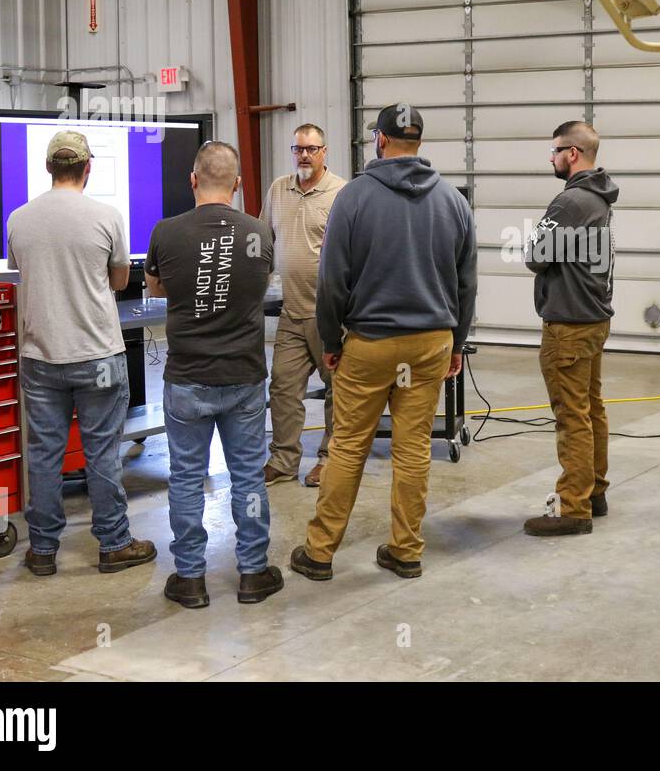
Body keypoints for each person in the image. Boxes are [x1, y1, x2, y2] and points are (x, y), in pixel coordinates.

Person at [290, 104, 477, 582]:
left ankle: (320, 552)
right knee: (413, 448)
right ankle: (406, 550)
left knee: (349, 444)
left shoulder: (352, 198)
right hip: (430, 343)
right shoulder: (454, 202)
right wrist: (456, 342)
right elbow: (466, 284)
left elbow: (331, 280)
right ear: (418, 142)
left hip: (370, 342)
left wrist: (330, 339)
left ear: (380, 139)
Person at [7, 130, 157, 576]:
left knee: (44, 454)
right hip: (97, 355)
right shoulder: (106, 216)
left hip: (40, 356)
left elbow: (18, 272)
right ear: (87, 167)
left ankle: (43, 550)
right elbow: (116, 282)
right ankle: (113, 544)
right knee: (102, 453)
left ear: (48, 168)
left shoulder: (19, 218)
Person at [144, 142, 281, 608]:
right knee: (247, 478)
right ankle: (253, 572)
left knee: (186, 478)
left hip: (187, 377)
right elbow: (258, 287)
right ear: (238, 184)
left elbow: (157, 288)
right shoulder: (259, 233)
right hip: (243, 374)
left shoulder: (165, 231)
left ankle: (190, 578)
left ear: (193, 179)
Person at [522, 121, 619, 536]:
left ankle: (573, 507)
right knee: (591, 408)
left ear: (573, 153)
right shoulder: (599, 198)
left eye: (555, 150)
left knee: (572, 416)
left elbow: (534, 256)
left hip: (569, 326)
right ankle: (593, 490)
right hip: (594, 319)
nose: (551, 158)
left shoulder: (570, 203)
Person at [261, 123, 346, 487]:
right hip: (291, 312)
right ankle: (283, 461)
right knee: (282, 386)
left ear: (325, 151)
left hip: (331, 316)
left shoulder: (342, 193)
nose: (305, 155)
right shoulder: (279, 188)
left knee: (337, 391)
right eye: (298, 149)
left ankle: (329, 460)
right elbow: (265, 240)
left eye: (312, 149)